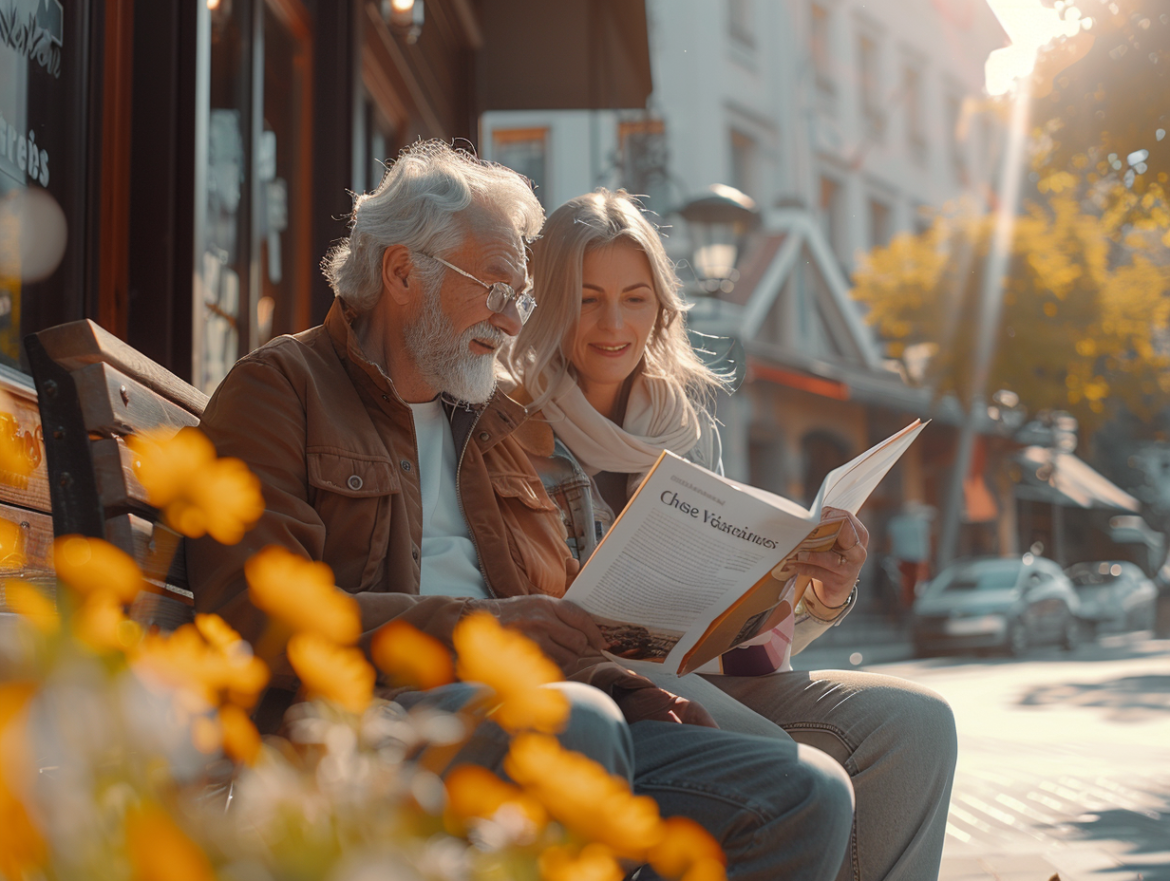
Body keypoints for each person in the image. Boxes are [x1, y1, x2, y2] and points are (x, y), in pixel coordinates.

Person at [187, 141, 855, 880]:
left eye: (521, 298)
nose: (513, 323)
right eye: (499, 288)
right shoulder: (283, 389)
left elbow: (559, 612)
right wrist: (476, 629)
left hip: (537, 711)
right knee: (579, 722)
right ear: (403, 272)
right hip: (362, 727)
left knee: (804, 792)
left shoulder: (492, 423)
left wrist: (631, 684)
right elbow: (250, 614)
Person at [506, 188, 958, 881]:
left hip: (708, 677)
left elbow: (739, 638)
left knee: (918, 723)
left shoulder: (685, 427)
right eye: (587, 297)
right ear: (548, 304)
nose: (613, 323)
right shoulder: (508, 429)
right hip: (604, 688)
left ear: (661, 305)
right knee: (788, 767)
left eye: (635, 297)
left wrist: (819, 592)